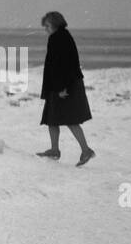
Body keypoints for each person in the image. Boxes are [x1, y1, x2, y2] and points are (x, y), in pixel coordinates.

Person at [38, 11, 95, 166]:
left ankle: (85, 150)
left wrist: (62, 88)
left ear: (54, 24)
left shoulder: (59, 38)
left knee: (70, 119)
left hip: (64, 86)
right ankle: (55, 150)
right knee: (53, 119)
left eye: (47, 26)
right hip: (60, 85)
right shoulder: (62, 36)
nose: (46, 29)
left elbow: (65, 65)